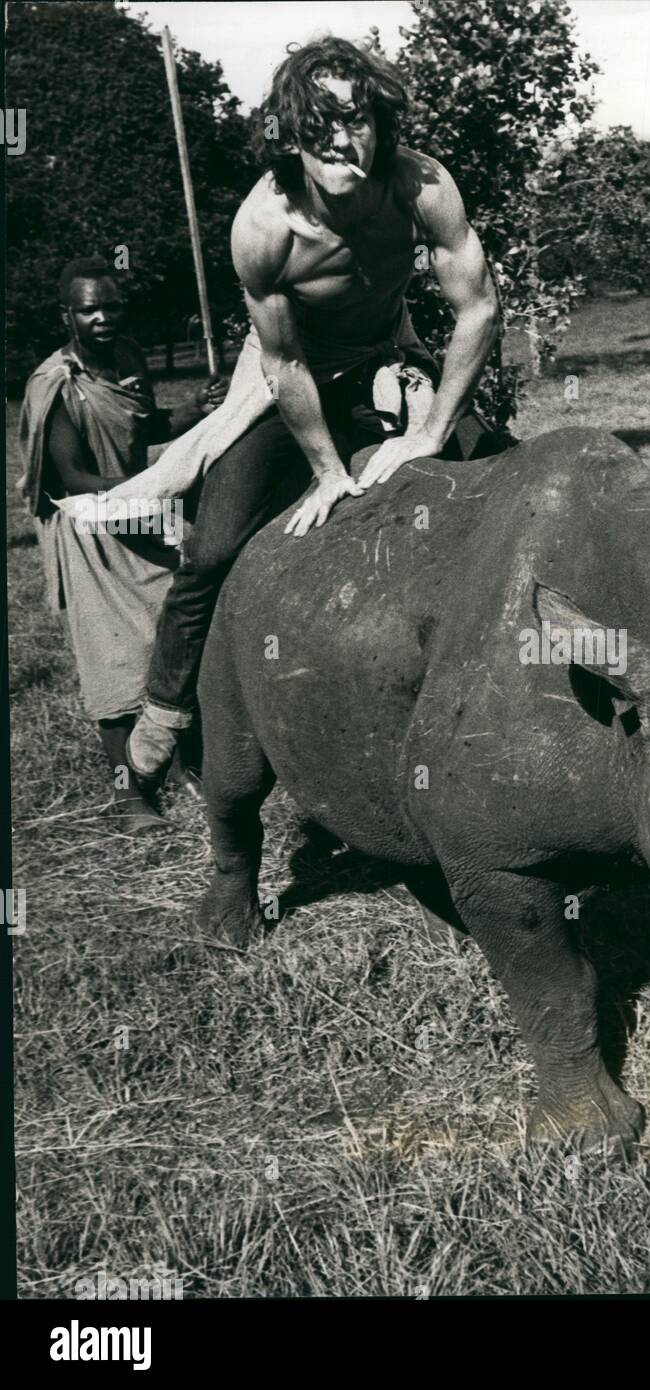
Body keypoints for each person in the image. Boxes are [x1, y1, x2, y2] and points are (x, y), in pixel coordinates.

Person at [126, 36, 501, 779]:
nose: (337, 138)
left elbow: (480, 308)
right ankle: (164, 710)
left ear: (380, 122)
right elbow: (285, 361)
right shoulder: (263, 227)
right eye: (317, 120)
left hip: (387, 351)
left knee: (497, 478)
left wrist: (429, 431)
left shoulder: (421, 186)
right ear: (290, 130)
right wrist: (327, 471)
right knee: (213, 548)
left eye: (354, 117)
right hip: (289, 372)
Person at [18, 259, 227, 831]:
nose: (103, 317)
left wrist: (192, 416)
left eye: (111, 306)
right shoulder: (55, 383)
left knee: (174, 638)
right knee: (114, 663)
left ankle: (185, 762)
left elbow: (145, 427)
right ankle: (127, 795)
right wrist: (166, 485)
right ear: (68, 314)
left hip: (140, 514)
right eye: (90, 309)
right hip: (91, 529)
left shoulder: (129, 356)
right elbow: (76, 479)